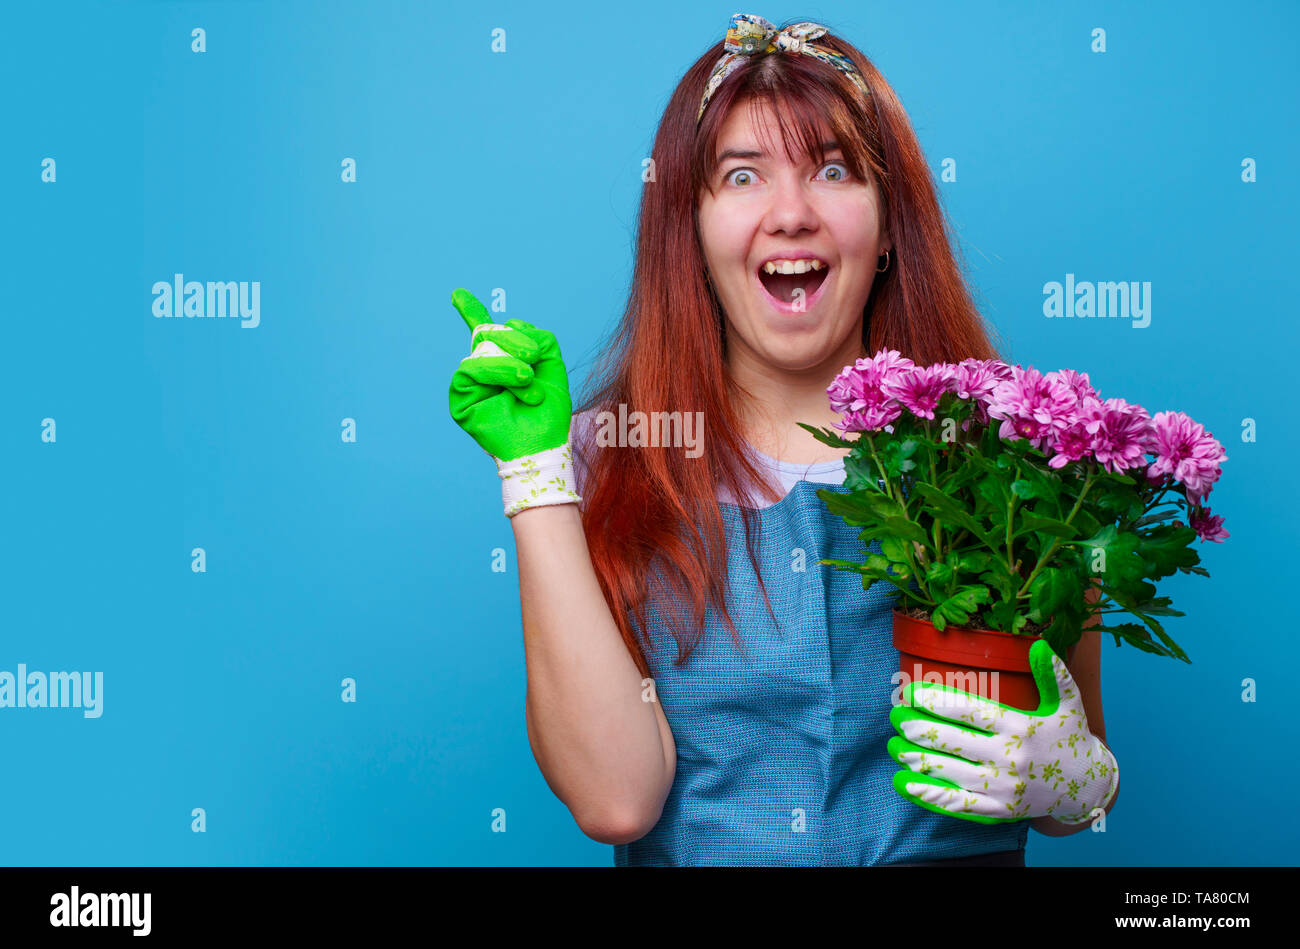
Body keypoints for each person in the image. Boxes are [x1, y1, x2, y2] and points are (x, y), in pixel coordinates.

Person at [448, 13, 1117, 866]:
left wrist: (1083, 780)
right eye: (742, 175)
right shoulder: (607, 458)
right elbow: (617, 800)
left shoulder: (1012, 460)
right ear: (688, 228)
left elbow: (1073, 777)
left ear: (886, 228)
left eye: (832, 169)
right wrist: (535, 473)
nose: (791, 213)